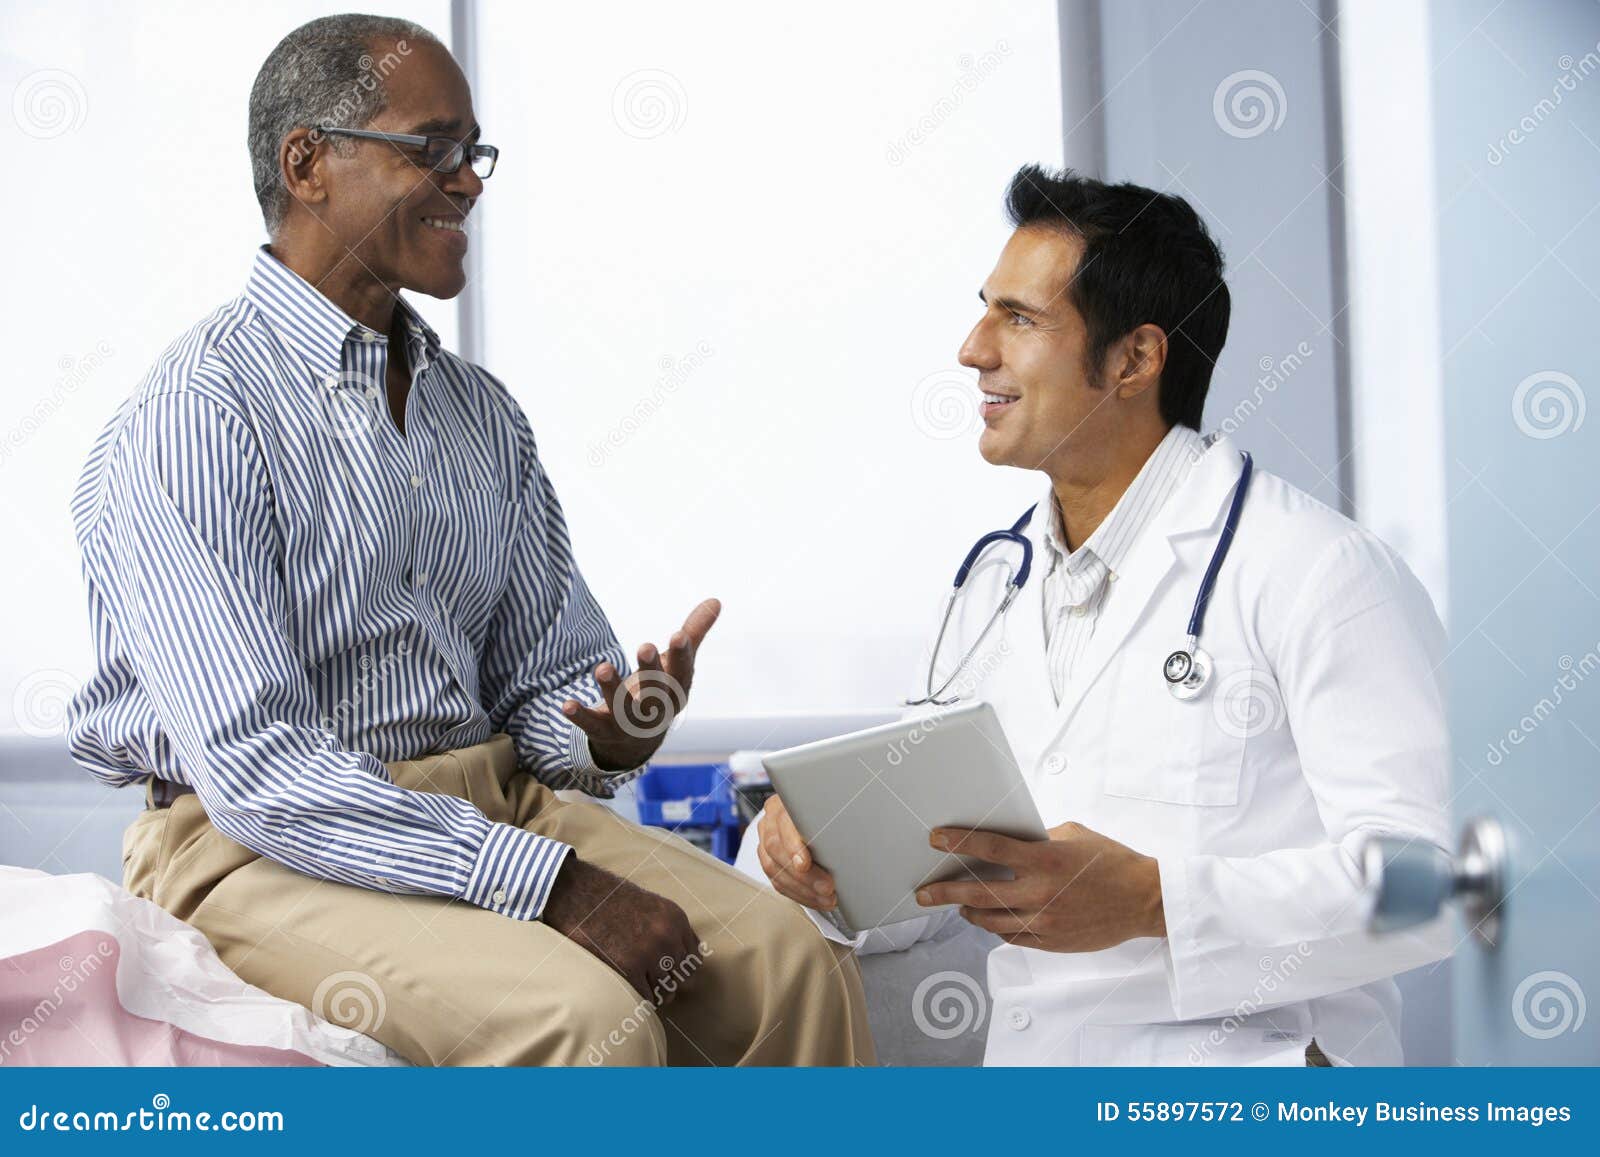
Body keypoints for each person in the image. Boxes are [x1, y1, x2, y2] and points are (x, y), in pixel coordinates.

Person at [66, 13, 872, 1067]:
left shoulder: (480, 415)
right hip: (257, 843)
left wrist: (606, 733)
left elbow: (537, 682)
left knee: (794, 960)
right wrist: (553, 881)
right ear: (306, 162)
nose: (469, 183)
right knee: (588, 1021)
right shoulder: (195, 416)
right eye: (433, 150)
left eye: (473, 154)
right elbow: (260, 770)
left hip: (494, 801)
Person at [752, 164, 1453, 1066]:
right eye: (985, 310)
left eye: (1019, 318)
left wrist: (1157, 899)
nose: (972, 349)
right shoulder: (991, 586)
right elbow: (935, 868)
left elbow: (1432, 887)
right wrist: (820, 860)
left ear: (1133, 359)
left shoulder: (1319, 572)